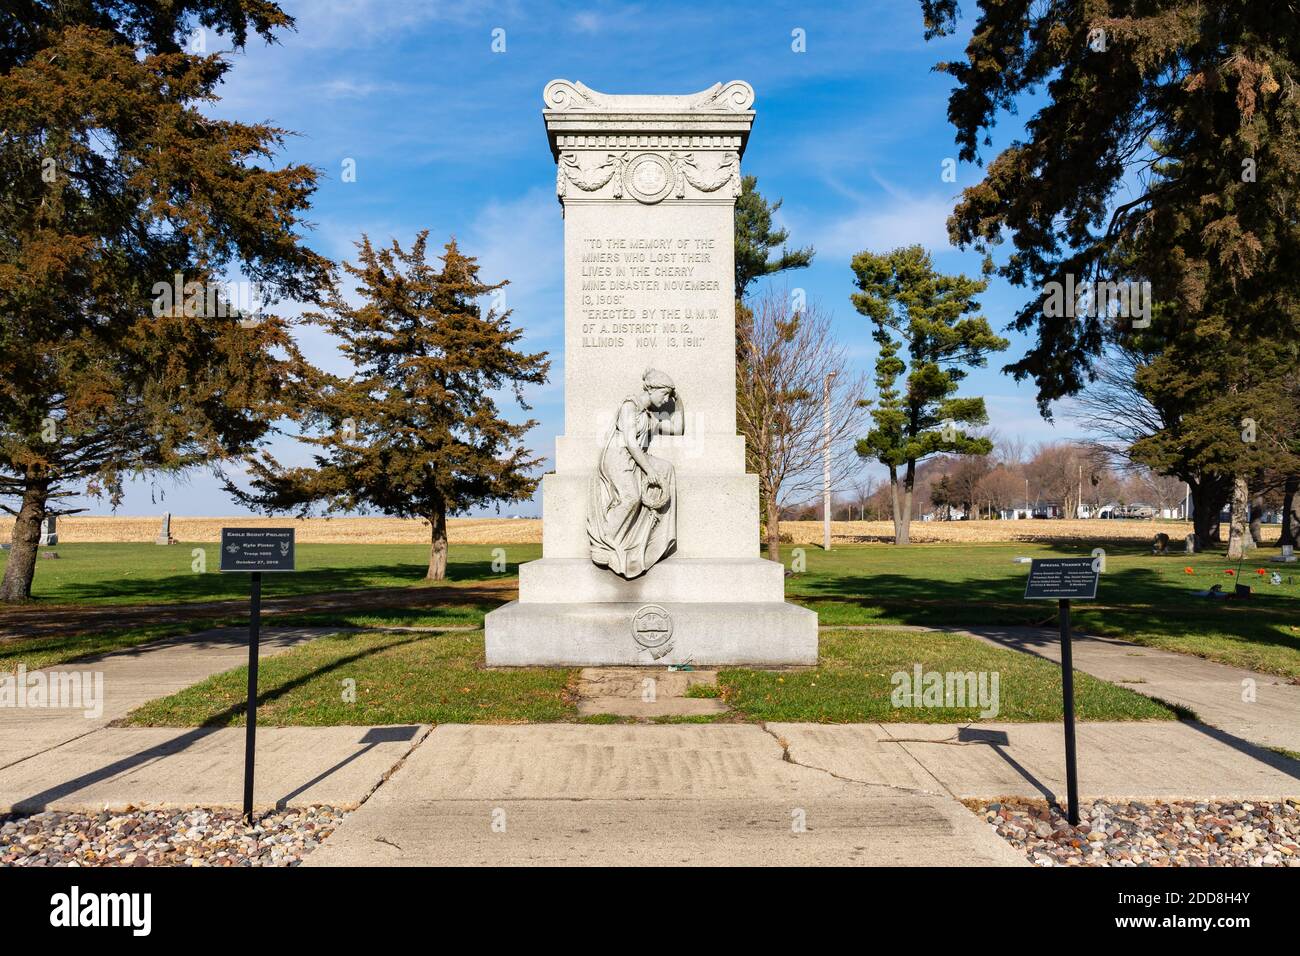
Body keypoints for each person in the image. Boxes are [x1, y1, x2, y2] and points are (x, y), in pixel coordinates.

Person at [587, 368, 684, 578]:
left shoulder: (648, 418)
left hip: (635, 459)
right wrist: (649, 471)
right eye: (664, 394)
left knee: (667, 468)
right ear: (651, 389)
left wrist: (678, 401)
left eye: (668, 395)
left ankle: (654, 537)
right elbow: (630, 442)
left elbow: (678, 428)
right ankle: (603, 543)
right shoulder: (629, 406)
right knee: (631, 497)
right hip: (617, 457)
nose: (666, 399)